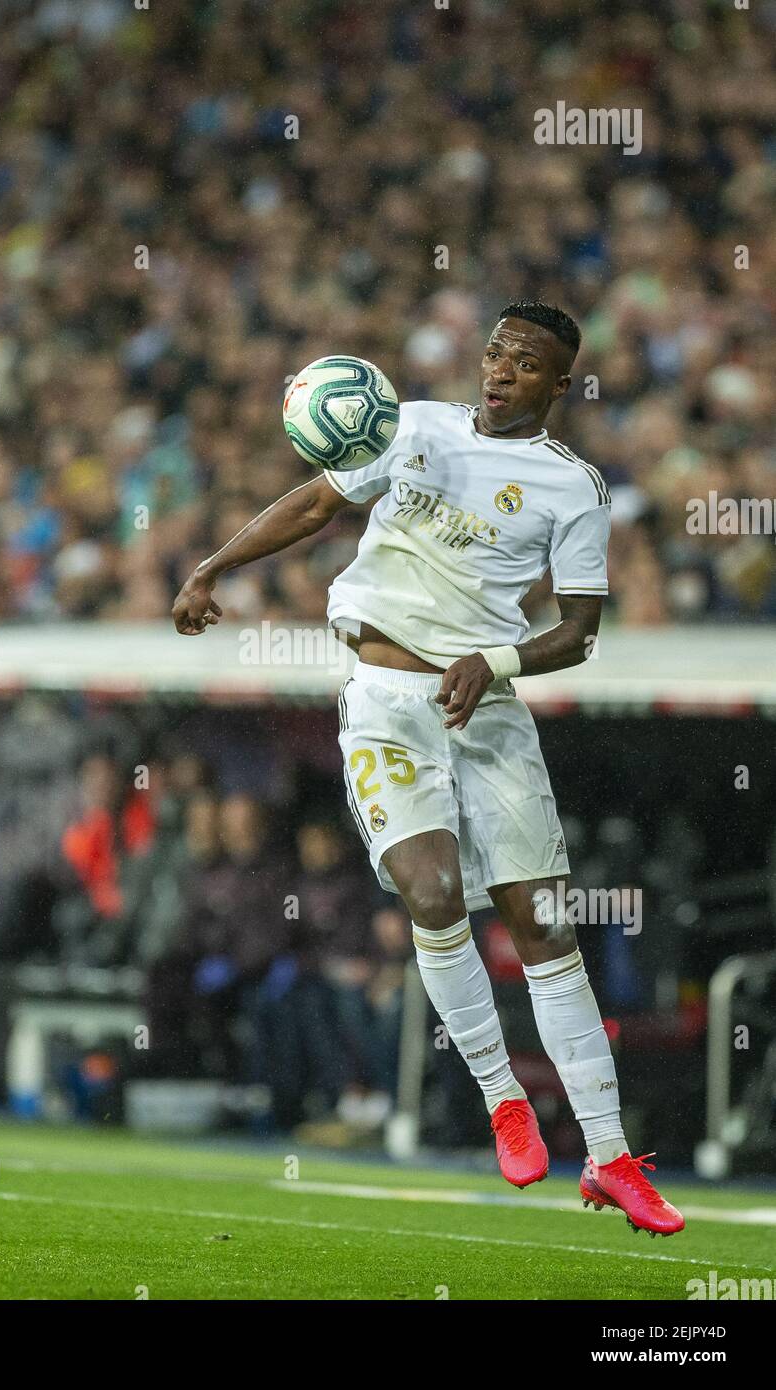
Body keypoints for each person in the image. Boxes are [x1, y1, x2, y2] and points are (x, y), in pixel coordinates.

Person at [173, 301, 684, 1236]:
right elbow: (321, 501)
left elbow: (577, 632)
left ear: (557, 386)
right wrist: (212, 566)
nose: (499, 369)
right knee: (435, 892)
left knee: (545, 924)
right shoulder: (409, 426)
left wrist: (493, 663)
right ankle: (502, 1096)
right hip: (384, 702)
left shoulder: (573, 488)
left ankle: (611, 1158)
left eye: (524, 363)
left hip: (484, 703)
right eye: (494, 351)